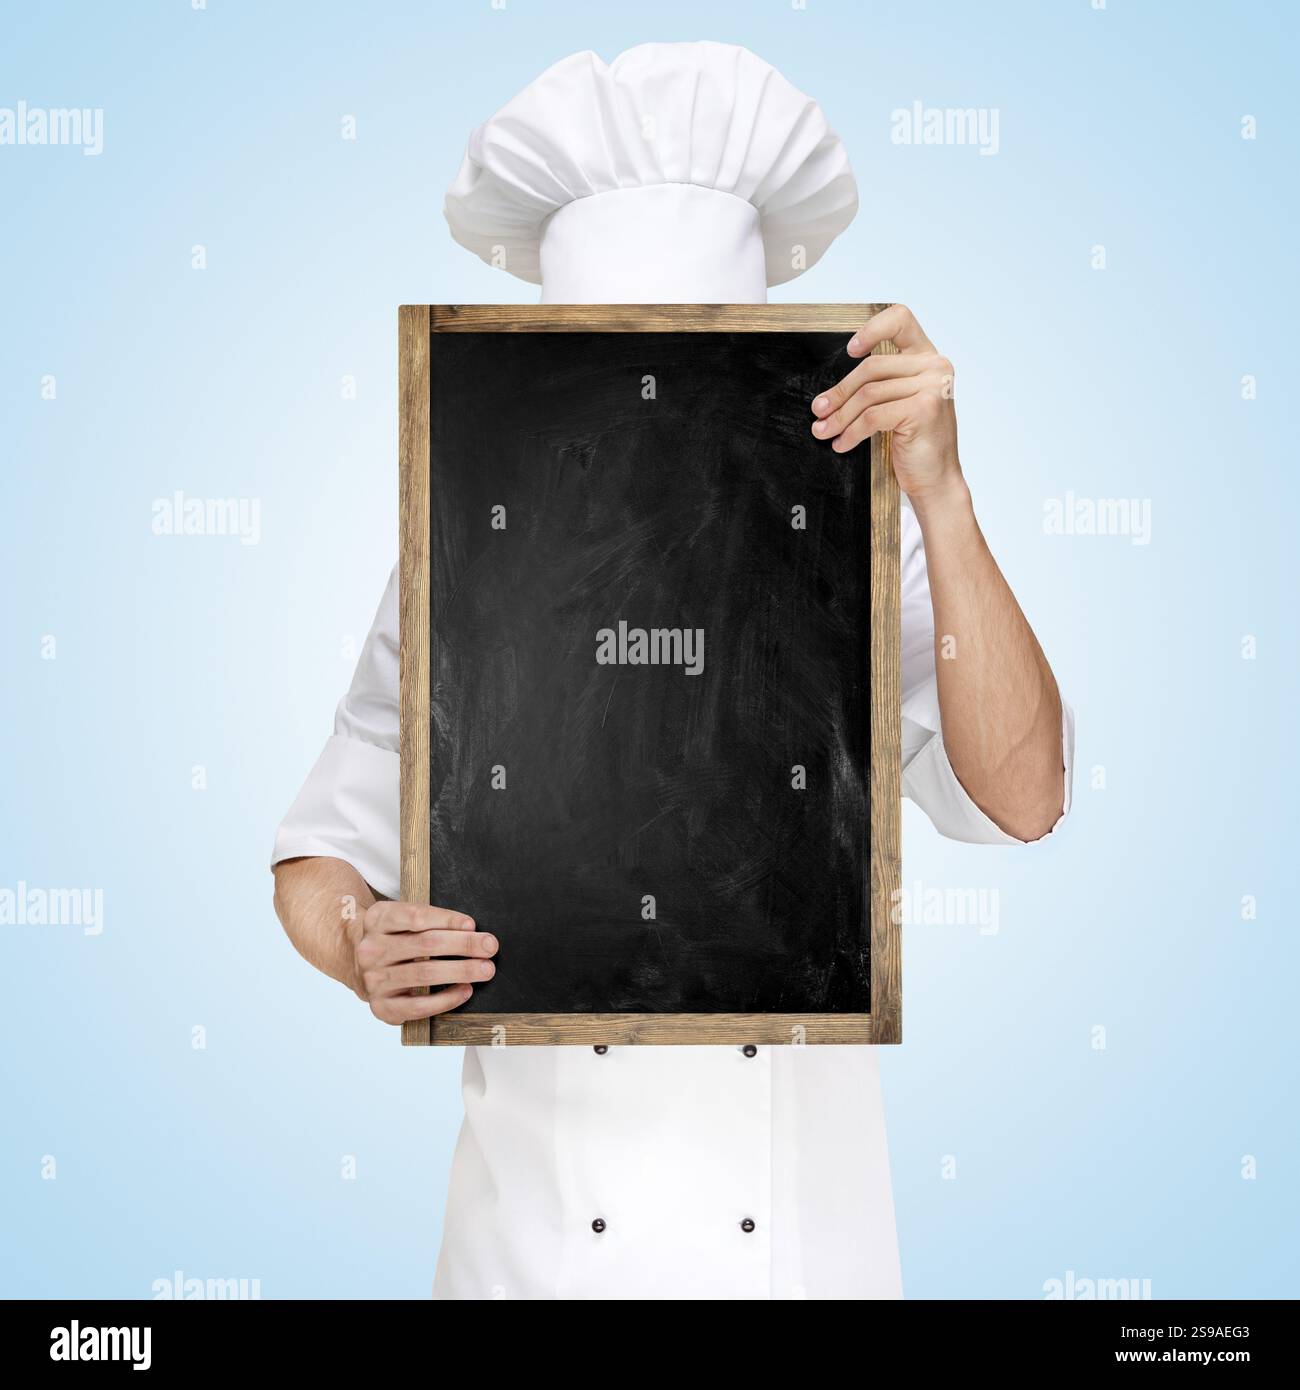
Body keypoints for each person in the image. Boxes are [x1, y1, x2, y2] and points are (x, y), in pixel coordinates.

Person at [271, 41, 1074, 1300]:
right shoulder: (466, 553)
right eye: (619, 366)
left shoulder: (861, 549)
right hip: (524, 1253)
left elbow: (1024, 796)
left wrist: (945, 497)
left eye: (698, 363)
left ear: (763, 360)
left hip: (801, 1263)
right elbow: (323, 852)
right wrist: (361, 935)